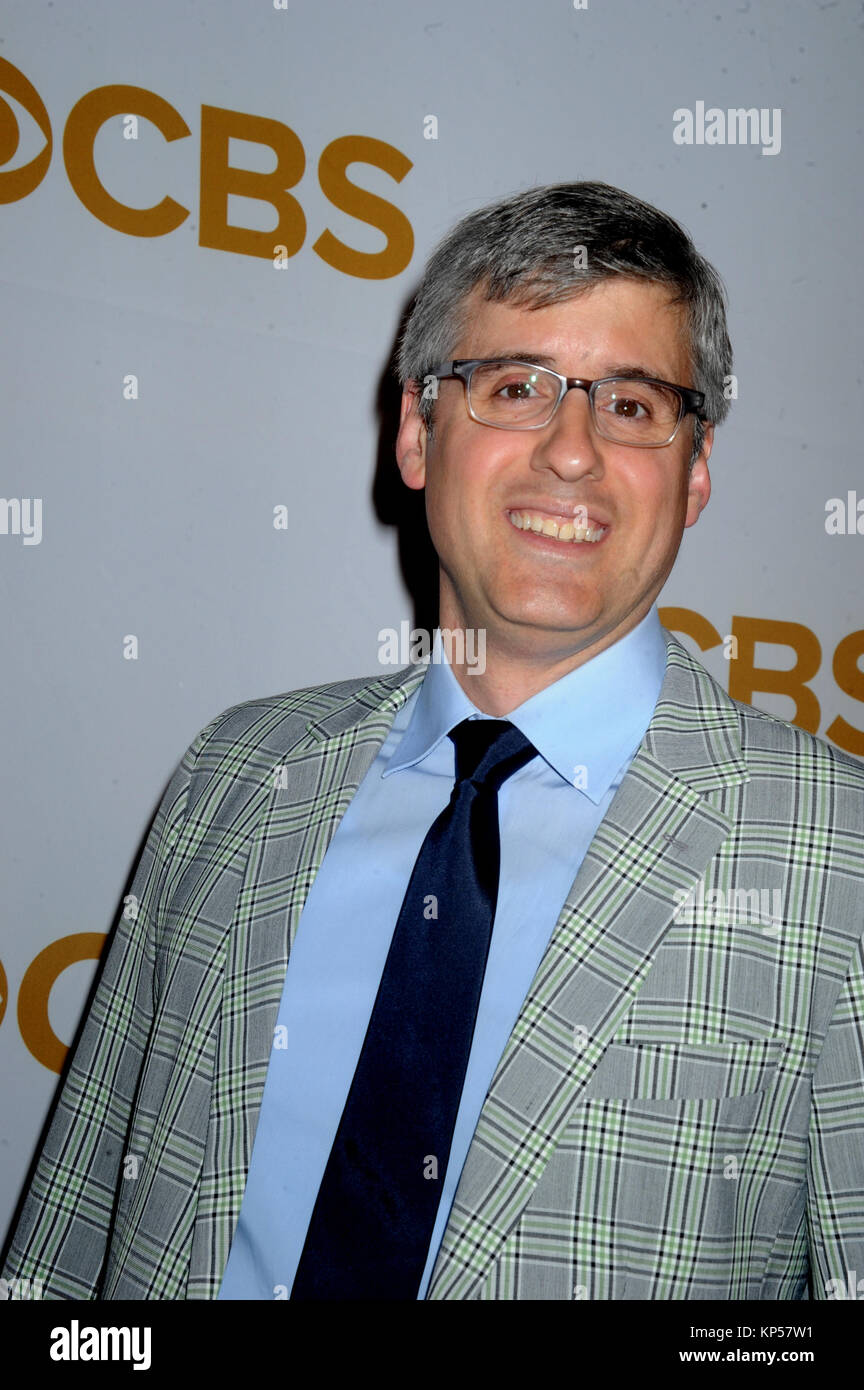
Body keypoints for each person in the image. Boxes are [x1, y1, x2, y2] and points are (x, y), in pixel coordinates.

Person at [3, 182, 863, 1302]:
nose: (571, 452)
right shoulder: (237, 774)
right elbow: (70, 1242)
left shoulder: (837, 855)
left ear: (695, 473)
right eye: (516, 386)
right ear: (417, 432)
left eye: (635, 406)